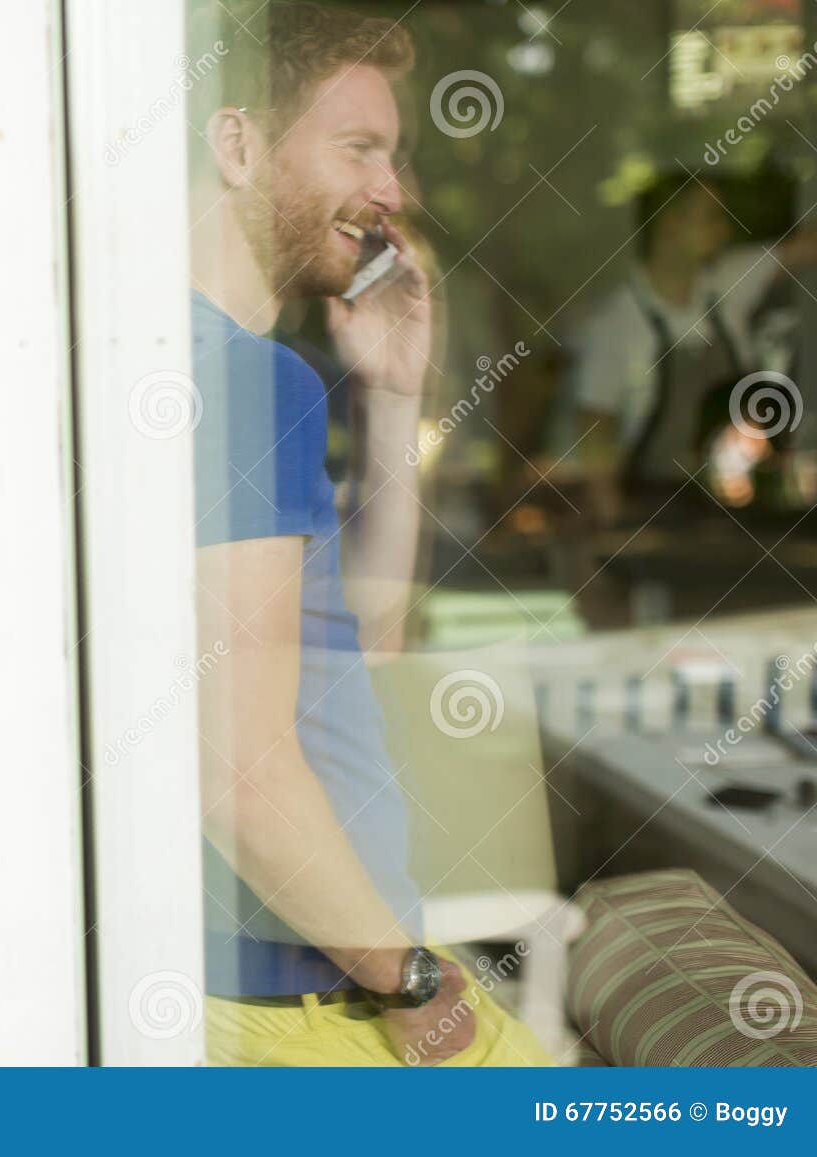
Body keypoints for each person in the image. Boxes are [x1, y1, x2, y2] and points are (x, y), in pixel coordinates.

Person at [189, 1, 550, 1066]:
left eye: (392, 155)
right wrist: (412, 984)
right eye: (359, 148)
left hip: (321, 984)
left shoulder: (241, 376)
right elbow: (236, 773)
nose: (390, 191)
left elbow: (363, 650)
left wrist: (390, 400)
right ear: (239, 142)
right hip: (317, 1006)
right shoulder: (245, 382)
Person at [571, 171, 817, 521]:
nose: (724, 231)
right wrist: (611, 525)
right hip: (657, 517)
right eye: (711, 218)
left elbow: (805, 248)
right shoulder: (616, 325)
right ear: (671, 225)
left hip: (743, 509)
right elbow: (595, 425)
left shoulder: (726, 285)